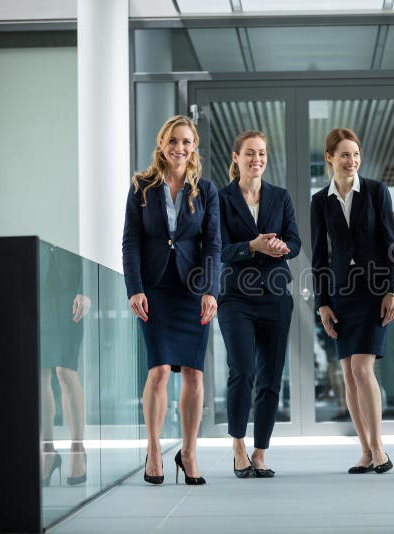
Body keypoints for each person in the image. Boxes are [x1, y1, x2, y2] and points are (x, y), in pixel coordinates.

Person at [122, 115, 220, 485]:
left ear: (194, 147)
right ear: (162, 144)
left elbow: (213, 244)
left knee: (194, 372)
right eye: (173, 140)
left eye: (187, 141)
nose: (180, 147)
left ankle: (189, 452)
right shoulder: (141, 187)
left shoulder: (206, 190)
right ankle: (152, 448)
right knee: (159, 370)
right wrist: (134, 288)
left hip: (192, 290)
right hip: (155, 290)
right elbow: (130, 240)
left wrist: (211, 289)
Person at [311, 128, 394, 474]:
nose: (352, 161)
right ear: (330, 158)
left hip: (374, 293)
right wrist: (322, 303)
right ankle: (364, 451)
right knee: (348, 376)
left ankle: (379, 448)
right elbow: (319, 256)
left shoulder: (376, 191)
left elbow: (391, 242)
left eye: (356, 155)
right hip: (341, 295)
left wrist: (391, 289)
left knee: (363, 370)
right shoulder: (320, 201)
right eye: (345, 155)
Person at [218, 130, 301, 478]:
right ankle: (238, 446)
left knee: (271, 377)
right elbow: (218, 250)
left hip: (275, 297)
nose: (257, 160)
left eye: (262, 153)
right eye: (250, 153)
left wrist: (282, 247)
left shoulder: (280, 197)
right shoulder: (220, 199)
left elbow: (295, 242)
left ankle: (260, 451)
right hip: (236, 297)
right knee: (243, 371)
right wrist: (251, 246)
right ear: (236, 157)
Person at [40, 245, 90, 487]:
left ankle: (77, 448)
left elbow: (89, 238)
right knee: (39, 373)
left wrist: (86, 289)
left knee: (66, 371)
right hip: (36, 285)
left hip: (70, 290)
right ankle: (47, 452)